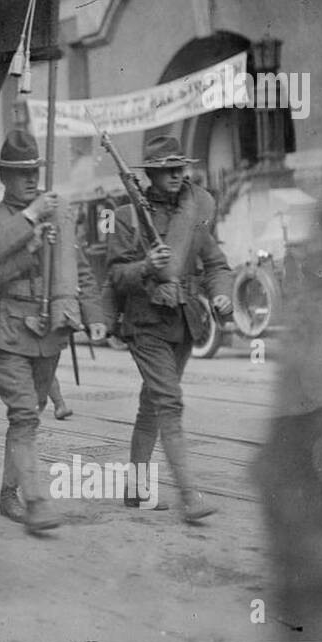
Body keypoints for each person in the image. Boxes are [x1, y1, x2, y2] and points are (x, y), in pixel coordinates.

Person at [0, 129, 107, 535]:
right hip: (5, 329)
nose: (30, 179)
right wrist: (30, 226)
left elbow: (79, 269)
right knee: (24, 413)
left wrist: (93, 312)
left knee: (32, 415)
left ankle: (9, 492)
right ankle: (37, 502)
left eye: (34, 171)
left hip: (47, 331)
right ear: (4, 177)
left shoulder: (55, 213)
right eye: (20, 172)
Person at [106, 135, 233, 522]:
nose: (179, 175)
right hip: (146, 322)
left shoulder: (193, 216)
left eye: (182, 168)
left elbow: (216, 264)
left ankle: (136, 489)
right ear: (153, 174)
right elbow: (114, 274)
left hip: (183, 321)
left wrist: (221, 295)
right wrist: (146, 265)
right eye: (168, 169)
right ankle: (190, 496)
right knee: (169, 403)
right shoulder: (129, 217)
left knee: (152, 406)